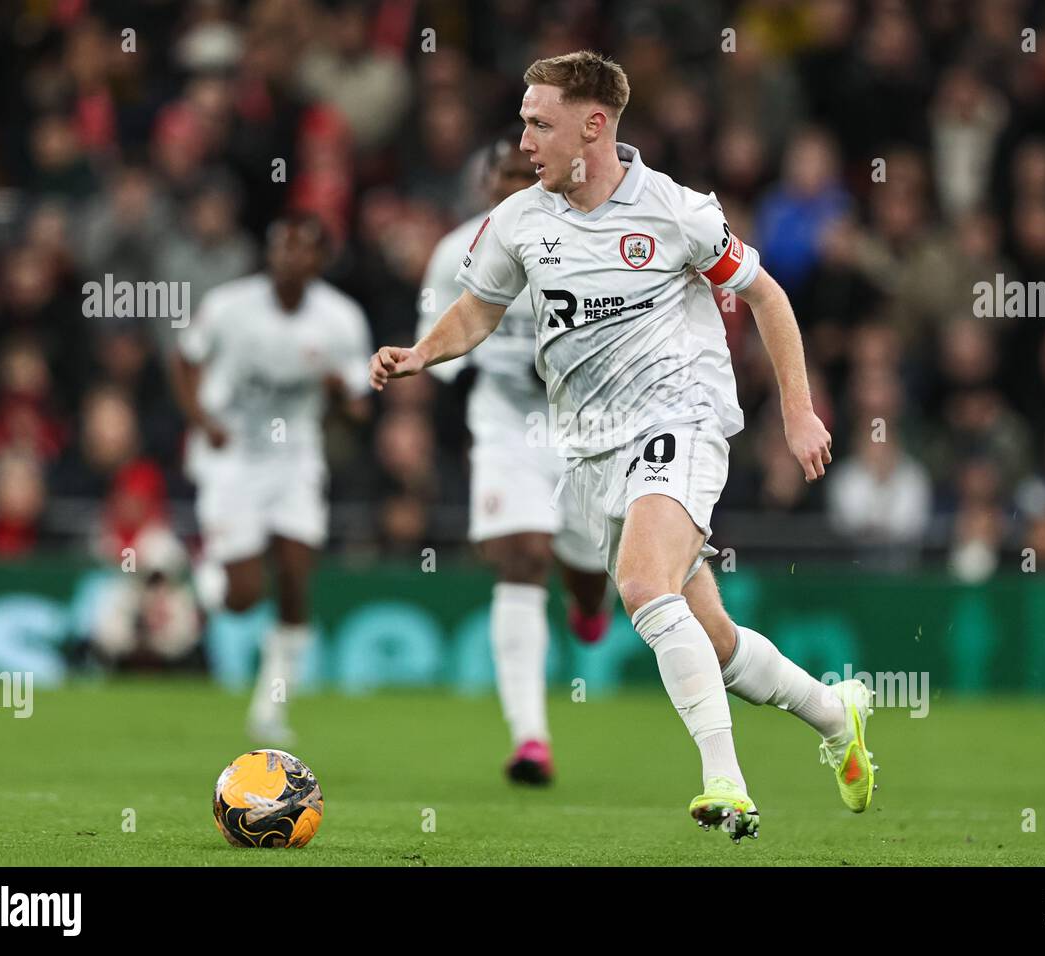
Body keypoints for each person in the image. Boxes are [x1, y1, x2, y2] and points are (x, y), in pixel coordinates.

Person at [371, 51, 876, 841]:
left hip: (683, 421)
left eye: (540, 123)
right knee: (715, 640)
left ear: (593, 125)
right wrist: (417, 354)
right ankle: (833, 713)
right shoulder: (520, 220)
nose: (525, 139)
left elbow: (767, 295)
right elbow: (477, 312)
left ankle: (727, 787)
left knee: (641, 586)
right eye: (524, 121)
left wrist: (799, 412)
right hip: (593, 452)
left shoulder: (674, 211)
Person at [417, 132, 612, 786]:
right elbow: (437, 347)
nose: (512, 185)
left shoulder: (590, 237)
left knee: (588, 568)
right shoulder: (455, 254)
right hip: (506, 420)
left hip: (585, 421)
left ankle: (589, 602)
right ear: (485, 186)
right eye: (502, 175)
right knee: (522, 556)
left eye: (523, 172)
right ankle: (531, 739)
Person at [172, 212, 372, 743]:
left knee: (295, 572)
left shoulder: (341, 319)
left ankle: (271, 707)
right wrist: (202, 420)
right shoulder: (229, 306)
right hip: (232, 452)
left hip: (295, 456)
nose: (290, 257)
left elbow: (359, 405)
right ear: (269, 253)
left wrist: (338, 392)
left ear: (321, 260)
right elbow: (185, 359)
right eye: (281, 246)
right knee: (241, 597)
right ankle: (208, 570)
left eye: (303, 248)